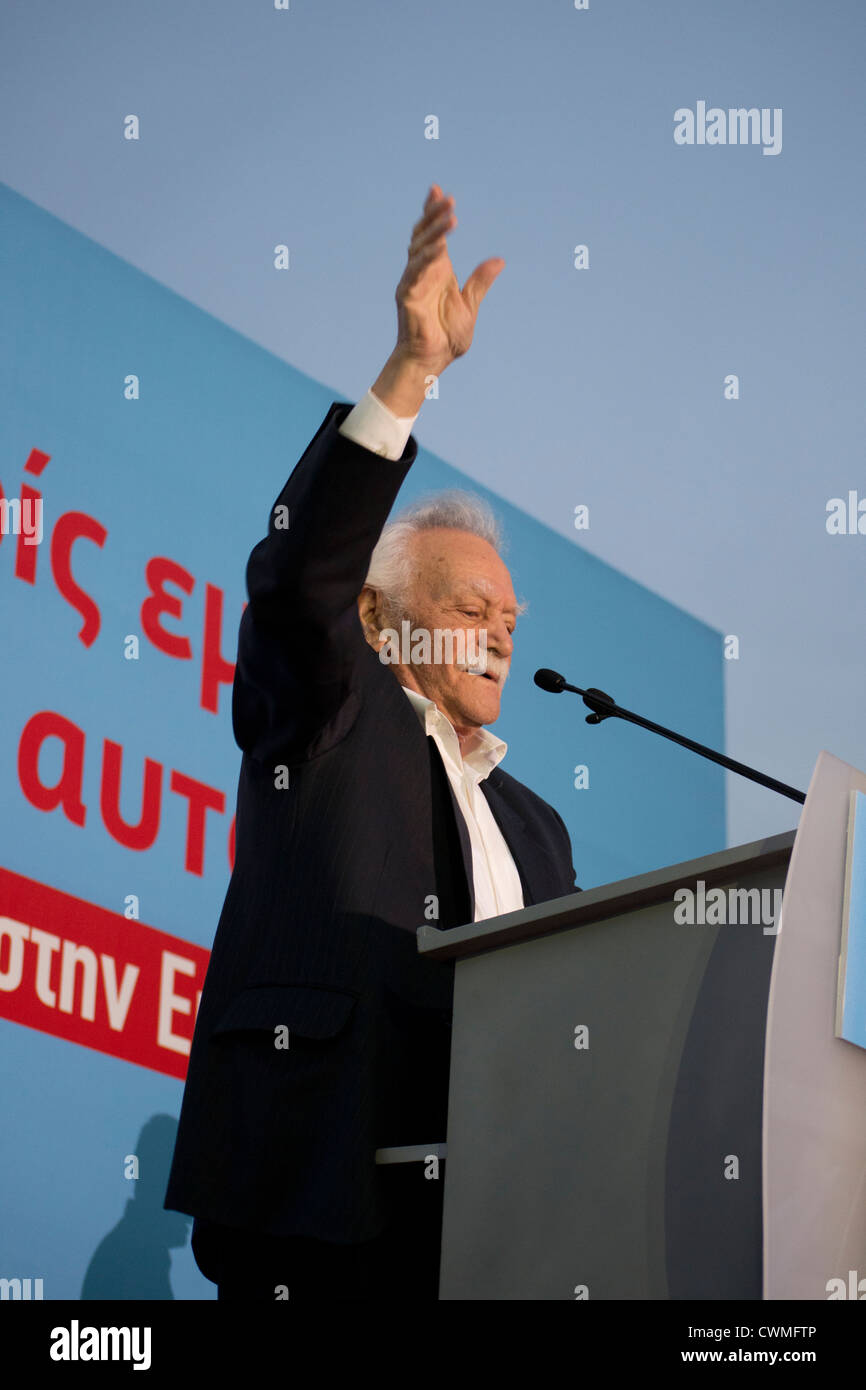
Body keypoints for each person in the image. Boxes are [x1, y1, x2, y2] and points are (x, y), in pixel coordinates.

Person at [163, 184, 580, 1300]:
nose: (496, 634)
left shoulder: (539, 827)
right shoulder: (334, 705)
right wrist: (410, 373)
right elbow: (301, 578)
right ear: (382, 616)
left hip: (490, 1237)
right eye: (466, 607)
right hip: (323, 1201)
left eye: (508, 618)